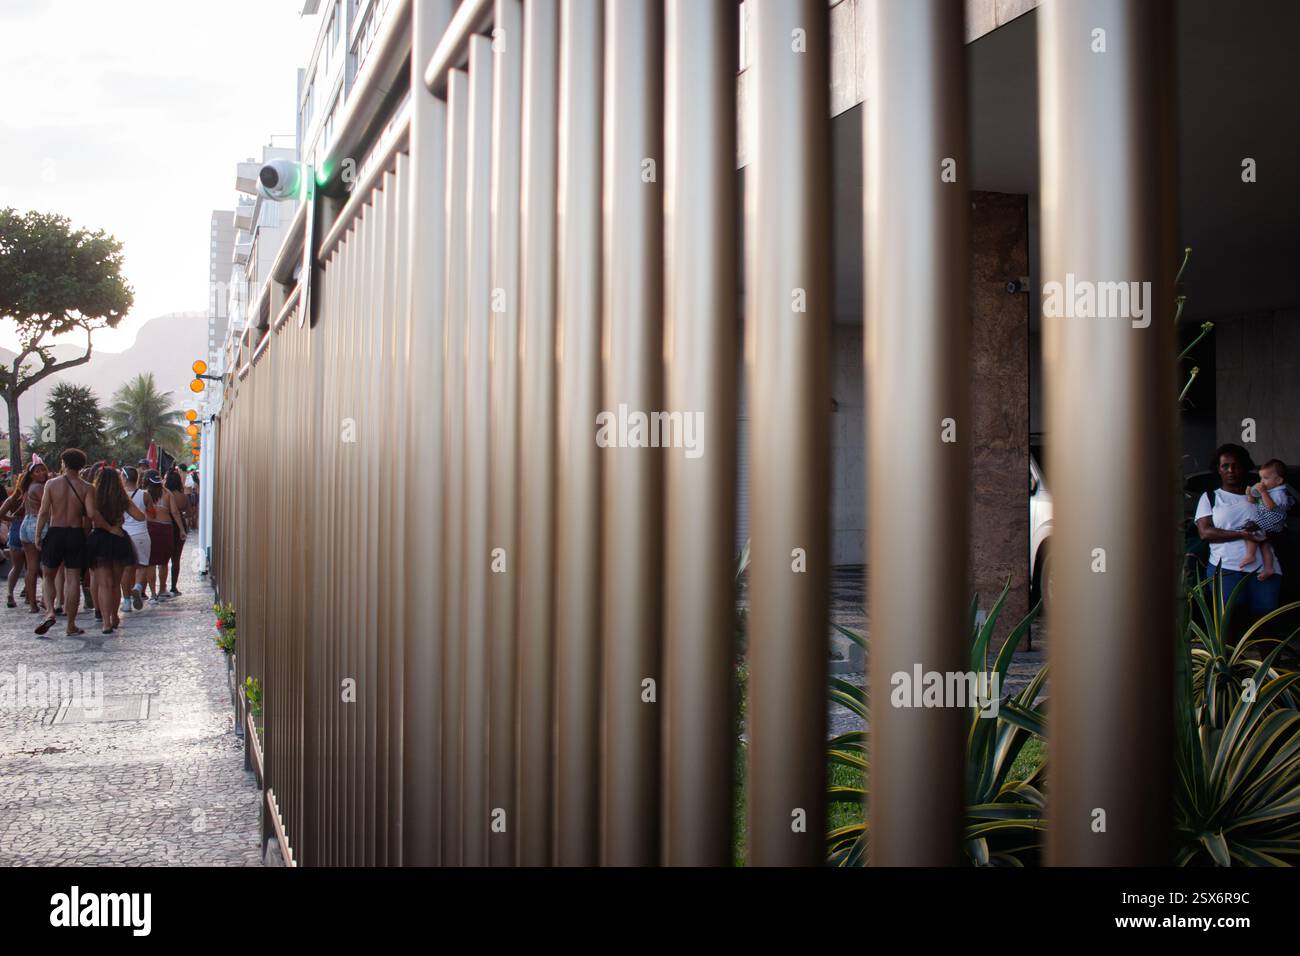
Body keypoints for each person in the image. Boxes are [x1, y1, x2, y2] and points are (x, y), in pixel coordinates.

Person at [1195, 443, 1283, 620]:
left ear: (1244, 467)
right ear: (1218, 469)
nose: (1231, 470)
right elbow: (1205, 533)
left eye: (1236, 465)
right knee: (1229, 623)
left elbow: (1278, 524)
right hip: (1225, 570)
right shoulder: (1211, 497)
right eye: (1225, 466)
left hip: (1264, 569)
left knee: (1266, 621)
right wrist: (1243, 534)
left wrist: (1265, 531)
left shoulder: (1260, 495)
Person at [34, 448, 92, 638]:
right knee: (73, 578)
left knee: (48, 575)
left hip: (56, 531)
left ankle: (50, 611)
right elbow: (89, 517)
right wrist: (85, 533)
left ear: (64, 464)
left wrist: (37, 535)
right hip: (75, 533)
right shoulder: (87, 487)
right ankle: (71, 625)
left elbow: (43, 512)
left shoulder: (51, 484)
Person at [84, 467, 147, 636]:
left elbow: (89, 515)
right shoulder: (122, 497)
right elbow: (140, 516)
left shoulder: (93, 495)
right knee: (115, 584)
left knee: (104, 584)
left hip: (98, 539)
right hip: (119, 539)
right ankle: (114, 616)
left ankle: (105, 623)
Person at [1240, 459, 1293, 581]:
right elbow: (1253, 502)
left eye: (1265, 478)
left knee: (1251, 529)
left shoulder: (1280, 493)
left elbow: (1271, 507)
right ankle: (1269, 568)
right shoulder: (1269, 491)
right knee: (1265, 545)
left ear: (1278, 480)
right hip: (1268, 521)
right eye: (1261, 478)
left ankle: (1250, 555)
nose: (1261, 482)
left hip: (1273, 521)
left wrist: (1263, 492)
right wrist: (1250, 494)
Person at [16, 458, 50, 614]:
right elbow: (48, 508)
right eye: (38, 471)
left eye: (43, 469)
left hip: (25, 525)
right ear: (31, 475)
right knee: (47, 566)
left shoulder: (28, 488)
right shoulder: (39, 488)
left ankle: (32, 605)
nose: (42, 473)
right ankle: (46, 600)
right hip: (38, 525)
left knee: (31, 567)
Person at [120, 467, 151, 613]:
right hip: (141, 534)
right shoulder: (145, 495)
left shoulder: (120, 495)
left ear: (125, 478)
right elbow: (152, 512)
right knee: (142, 565)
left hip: (125, 534)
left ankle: (126, 602)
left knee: (126, 570)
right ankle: (138, 587)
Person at [0, 467, 30, 608]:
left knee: (16, 567)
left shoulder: (12, 499)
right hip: (29, 528)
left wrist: (11, 519)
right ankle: (29, 595)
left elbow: (1, 513)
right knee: (31, 566)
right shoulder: (33, 495)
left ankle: (10, 595)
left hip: (16, 529)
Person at [164, 468, 188, 594]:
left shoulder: (164, 494)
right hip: (179, 526)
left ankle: (162, 586)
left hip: (166, 524)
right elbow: (187, 512)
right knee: (176, 559)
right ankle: (173, 586)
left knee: (163, 559)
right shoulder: (182, 496)